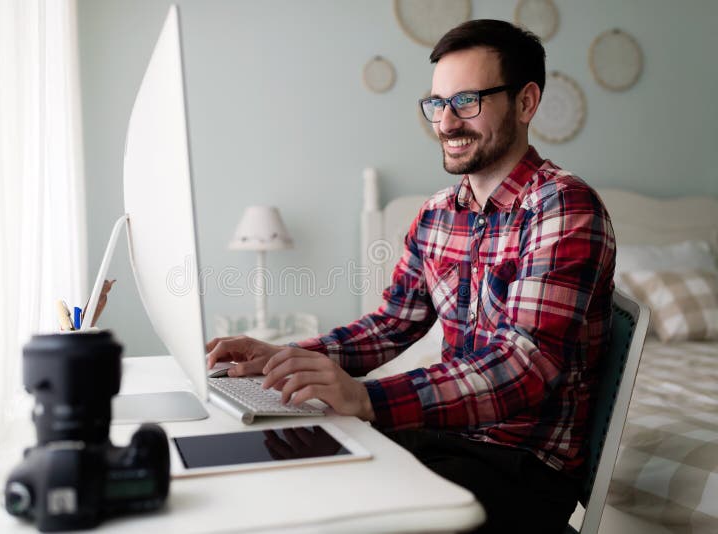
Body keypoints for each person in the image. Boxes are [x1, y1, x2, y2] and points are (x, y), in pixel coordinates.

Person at [207, 19, 615, 534]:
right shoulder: (438, 213)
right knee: (287, 469)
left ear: (527, 103)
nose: (446, 123)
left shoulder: (563, 205)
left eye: (467, 101)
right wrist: (290, 357)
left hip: (521, 469)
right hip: (447, 439)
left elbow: (524, 366)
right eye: (437, 104)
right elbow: (392, 324)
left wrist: (368, 398)